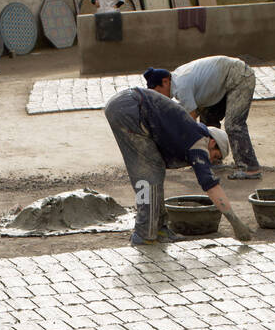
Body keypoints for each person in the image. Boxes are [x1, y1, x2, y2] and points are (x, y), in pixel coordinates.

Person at [105, 70, 254, 246]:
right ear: (212, 143)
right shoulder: (199, 143)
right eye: (216, 156)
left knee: (155, 169)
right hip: (129, 108)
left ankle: (159, 228)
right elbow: (210, 185)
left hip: (127, 105)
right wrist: (235, 222)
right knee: (148, 175)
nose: (214, 161)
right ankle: (144, 234)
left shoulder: (191, 133)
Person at [145, 56, 262, 179]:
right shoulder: (177, 79)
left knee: (233, 125)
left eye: (157, 92)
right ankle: (212, 160)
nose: (157, 97)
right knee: (208, 120)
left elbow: (190, 121)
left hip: (239, 76)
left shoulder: (181, 86)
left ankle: (250, 167)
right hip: (221, 83)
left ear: (165, 82)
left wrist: (186, 151)